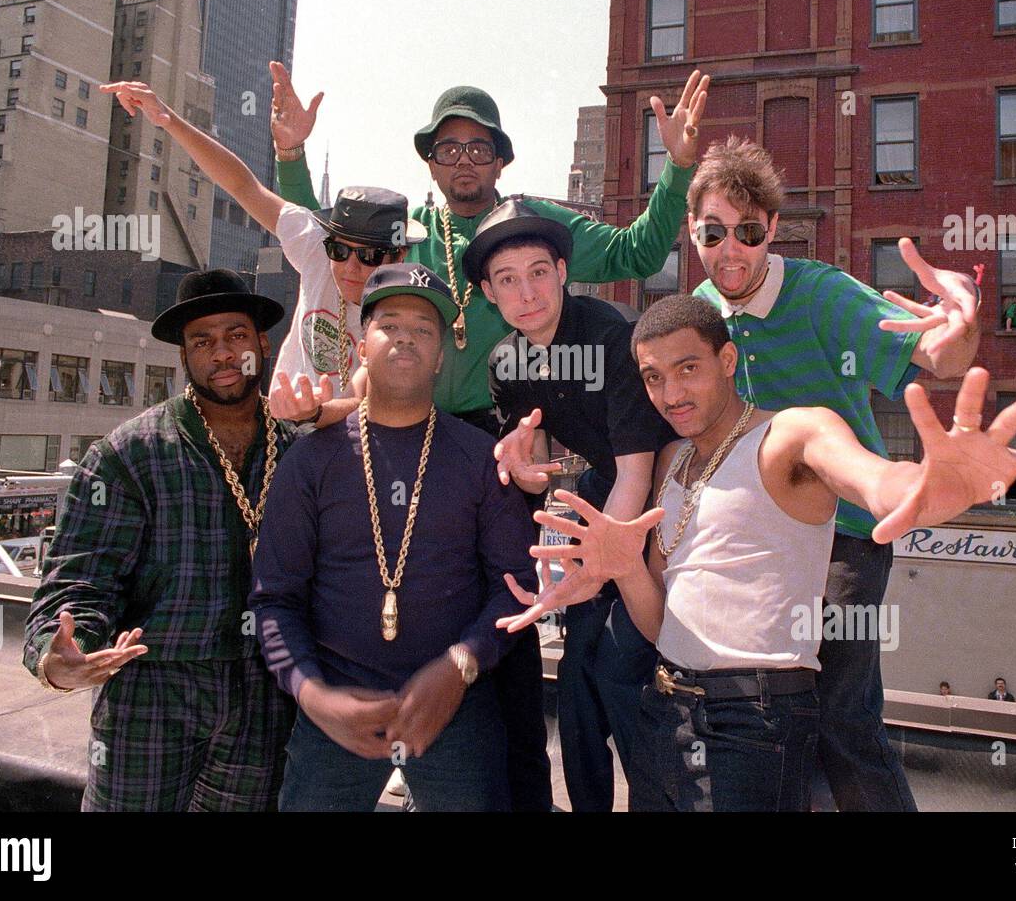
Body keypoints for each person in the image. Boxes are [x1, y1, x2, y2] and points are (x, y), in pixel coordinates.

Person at [268, 63, 708, 811]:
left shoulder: (534, 227)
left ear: (502, 158)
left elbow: (637, 254)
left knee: (505, 643)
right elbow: (332, 245)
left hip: (497, 450)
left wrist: (679, 169)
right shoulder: (407, 233)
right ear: (430, 162)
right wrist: (290, 158)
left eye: (479, 147)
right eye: (448, 148)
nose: (464, 160)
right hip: (407, 434)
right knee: (380, 597)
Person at [503, 295, 1016, 811]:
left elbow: (873, 480)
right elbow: (659, 627)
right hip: (662, 714)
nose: (671, 393)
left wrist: (928, 486)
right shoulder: (670, 462)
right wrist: (625, 568)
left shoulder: (793, 434)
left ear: (727, 362)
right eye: (653, 378)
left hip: (753, 725)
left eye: (687, 368)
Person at [685, 136, 984, 811]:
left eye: (748, 232)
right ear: (692, 231)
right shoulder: (702, 312)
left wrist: (962, 323)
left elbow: (940, 355)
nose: (731, 250)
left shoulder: (824, 297)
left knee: (841, 711)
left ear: (772, 233)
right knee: (775, 714)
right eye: (712, 232)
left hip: (846, 530)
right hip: (760, 540)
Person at [249, 263, 540, 811]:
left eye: (424, 330)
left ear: (440, 357)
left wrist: (462, 664)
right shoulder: (310, 461)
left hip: (454, 703)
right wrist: (312, 695)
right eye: (389, 324)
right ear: (361, 346)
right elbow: (273, 599)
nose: (406, 337)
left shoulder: (480, 458)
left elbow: (516, 586)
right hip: (336, 701)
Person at [23, 269, 299, 811]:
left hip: (266, 693)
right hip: (152, 688)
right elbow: (80, 579)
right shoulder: (129, 454)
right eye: (202, 341)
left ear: (262, 344)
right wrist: (58, 659)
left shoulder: (299, 451)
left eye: (236, 335)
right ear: (183, 356)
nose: (222, 353)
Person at [464, 200, 676, 811]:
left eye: (537, 272)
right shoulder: (506, 363)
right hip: (594, 509)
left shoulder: (614, 340)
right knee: (578, 693)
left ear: (562, 270)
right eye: (507, 280)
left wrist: (598, 563)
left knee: (627, 674)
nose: (526, 292)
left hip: (661, 509)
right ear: (488, 292)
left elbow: (638, 470)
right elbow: (538, 472)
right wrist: (526, 473)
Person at [100, 79, 425, 423]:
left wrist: (314, 413)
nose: (350, 267)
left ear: (398, 257)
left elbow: (367, 399)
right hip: (283, 428)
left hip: (351, 442)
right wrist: (168, 120)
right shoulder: (316, 251)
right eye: (340, 250)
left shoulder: (405, 310)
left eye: (370, 256)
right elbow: (243, 186)